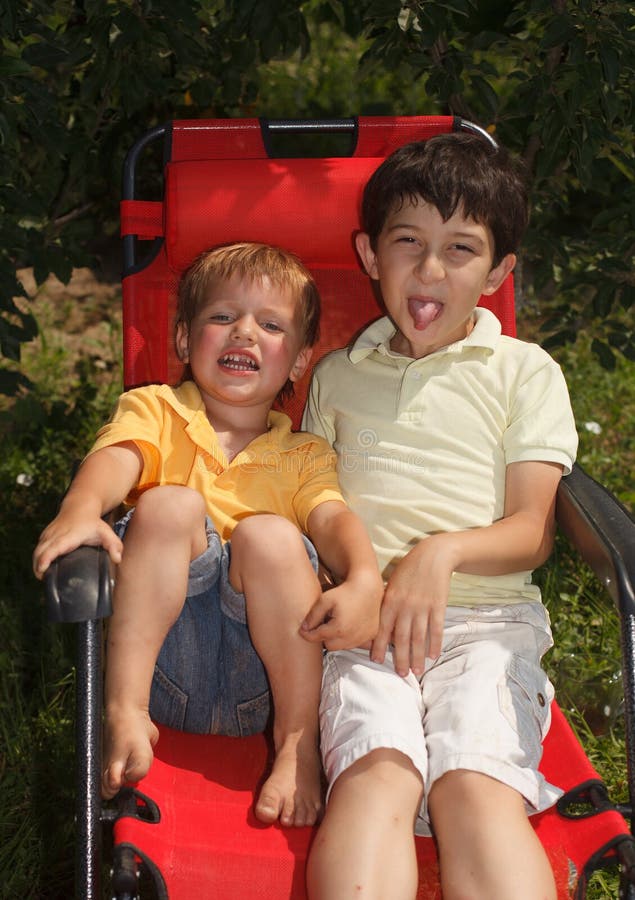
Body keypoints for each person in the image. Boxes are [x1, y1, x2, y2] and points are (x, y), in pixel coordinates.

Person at [301, 132, 579, 898]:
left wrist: (439, 552)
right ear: (368, 255)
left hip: (488, 628)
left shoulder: (522, 371)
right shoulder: (335, 376)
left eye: (460, 250)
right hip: (365, 630)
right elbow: (314, 511)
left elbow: (530, 531)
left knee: (472, 785)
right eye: (407, 243)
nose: (429, 270)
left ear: (497, 274)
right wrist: (355, 581)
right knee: (374, 776)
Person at [33, 241, 383, 829]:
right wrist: (81, 508)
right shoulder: (156, 410)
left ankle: (297, 746)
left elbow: (331, 518)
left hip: (265, 683)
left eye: (270, 325)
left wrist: (365, 576)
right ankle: (122, 710)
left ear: (298, 361)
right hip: (161, 670)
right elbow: (118, 458)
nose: (243, 333)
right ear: (183, 339)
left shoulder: (303, 454)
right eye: (222, 317)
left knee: (272, 538)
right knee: (168, 506)